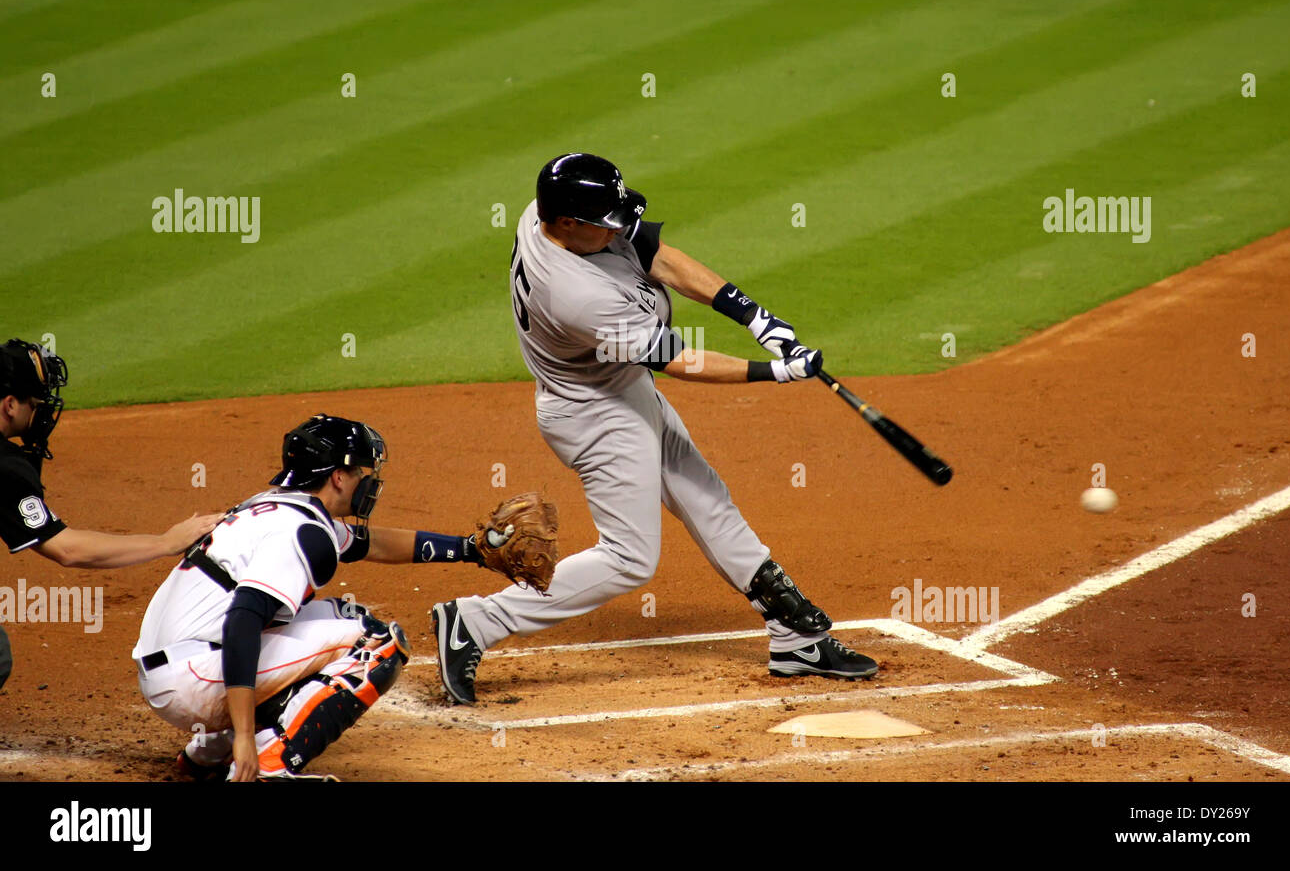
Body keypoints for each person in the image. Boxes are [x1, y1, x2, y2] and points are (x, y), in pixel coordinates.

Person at [432, 153, 878, 706]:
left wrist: (756, 319)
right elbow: (677, 358)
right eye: (607, 223)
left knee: (706, 497)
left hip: (621, 390)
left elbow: (656, 255)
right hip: (594, 416)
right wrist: (775, 371)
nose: (618, 229)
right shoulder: (573, 296)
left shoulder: (551, 213)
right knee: (629, 558)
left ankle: (796, 638)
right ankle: (475, 622)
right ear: (567, 224)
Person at [134, 413, 505, 781]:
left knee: (344, 617)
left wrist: (470, 549)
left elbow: (369, 543)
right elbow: (242, 624)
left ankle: (208, 753)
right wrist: (246, 736)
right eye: (362, 472)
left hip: (175, 665)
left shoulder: (275, 505)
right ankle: (268, 765)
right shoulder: (301, 532)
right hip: (192, 681)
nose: (368, 481)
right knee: (376, 643)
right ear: (339, 477)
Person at [0, 338, 221, 690]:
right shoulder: (4, 466)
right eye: (36, 403)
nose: (42, 412)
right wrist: (166, 542)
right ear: (10, 405)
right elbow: (66, 549)